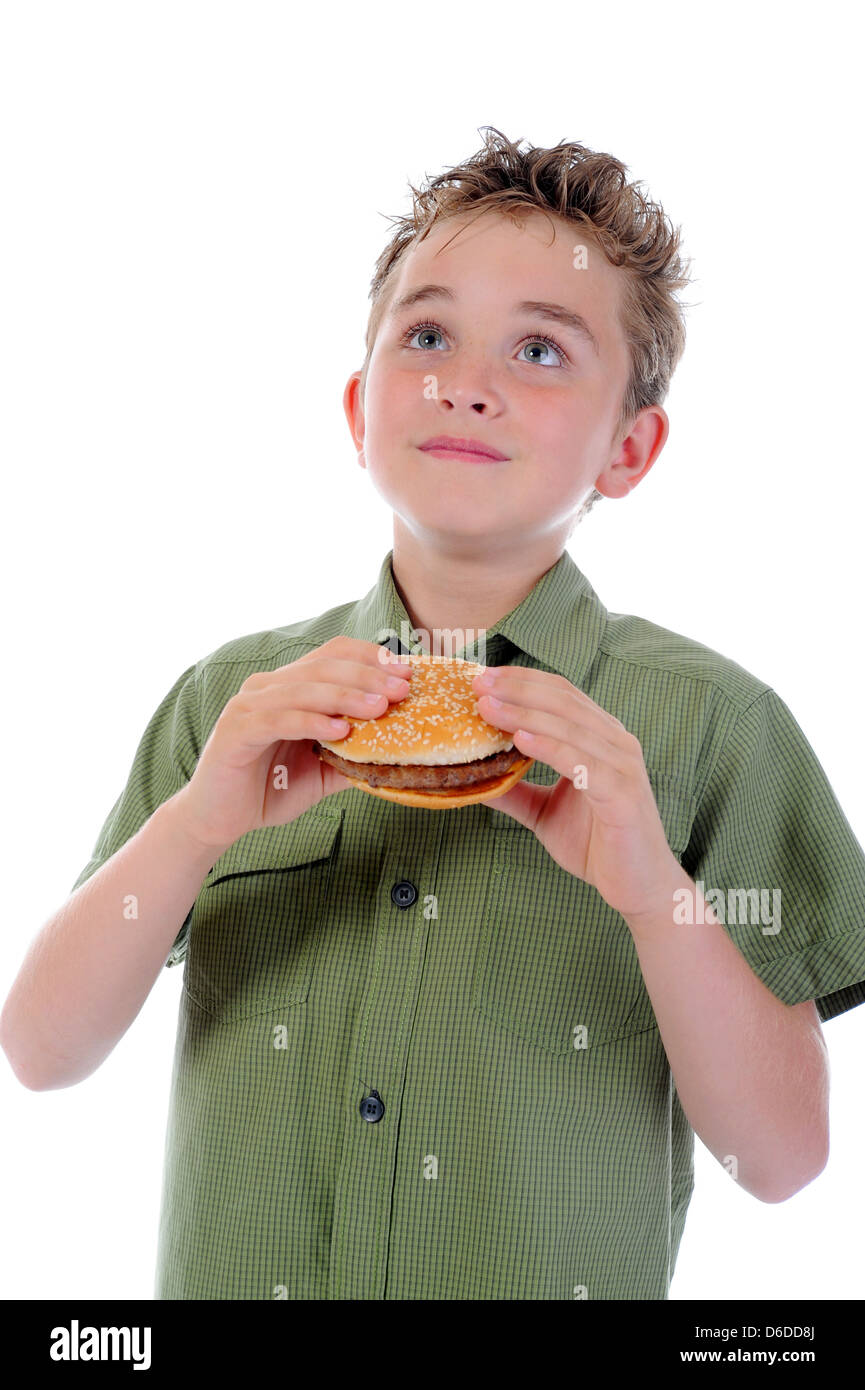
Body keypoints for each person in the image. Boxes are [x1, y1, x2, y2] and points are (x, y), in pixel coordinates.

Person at [3, 126, 864, 1301]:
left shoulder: (714, 729)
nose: (466, 379)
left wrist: (652, 888)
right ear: (360, 410)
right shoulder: (233, 703)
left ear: (630, 447)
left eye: (540, 349)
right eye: (426, 334)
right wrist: (201, 821)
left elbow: (781, 1160)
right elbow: (41, 1054)